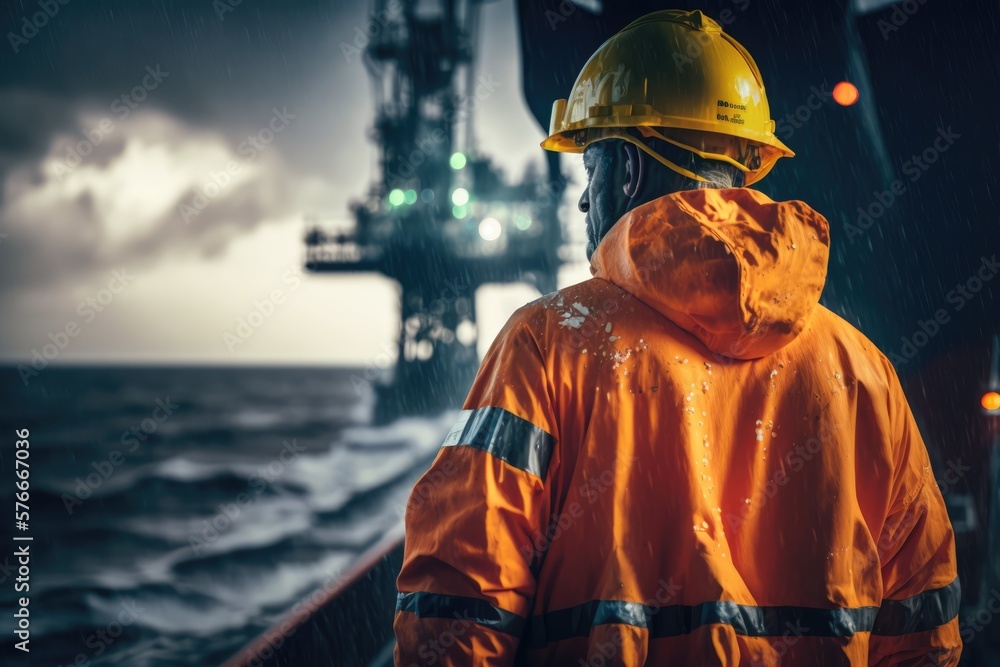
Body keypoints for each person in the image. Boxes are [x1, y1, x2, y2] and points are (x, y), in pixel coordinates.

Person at [393, 9, 961, 665]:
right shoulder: (863, 369)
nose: (583, 202)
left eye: (591, 168)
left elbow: (458, 611)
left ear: (627, 171)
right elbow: (926, 626)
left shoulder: (545, 345)